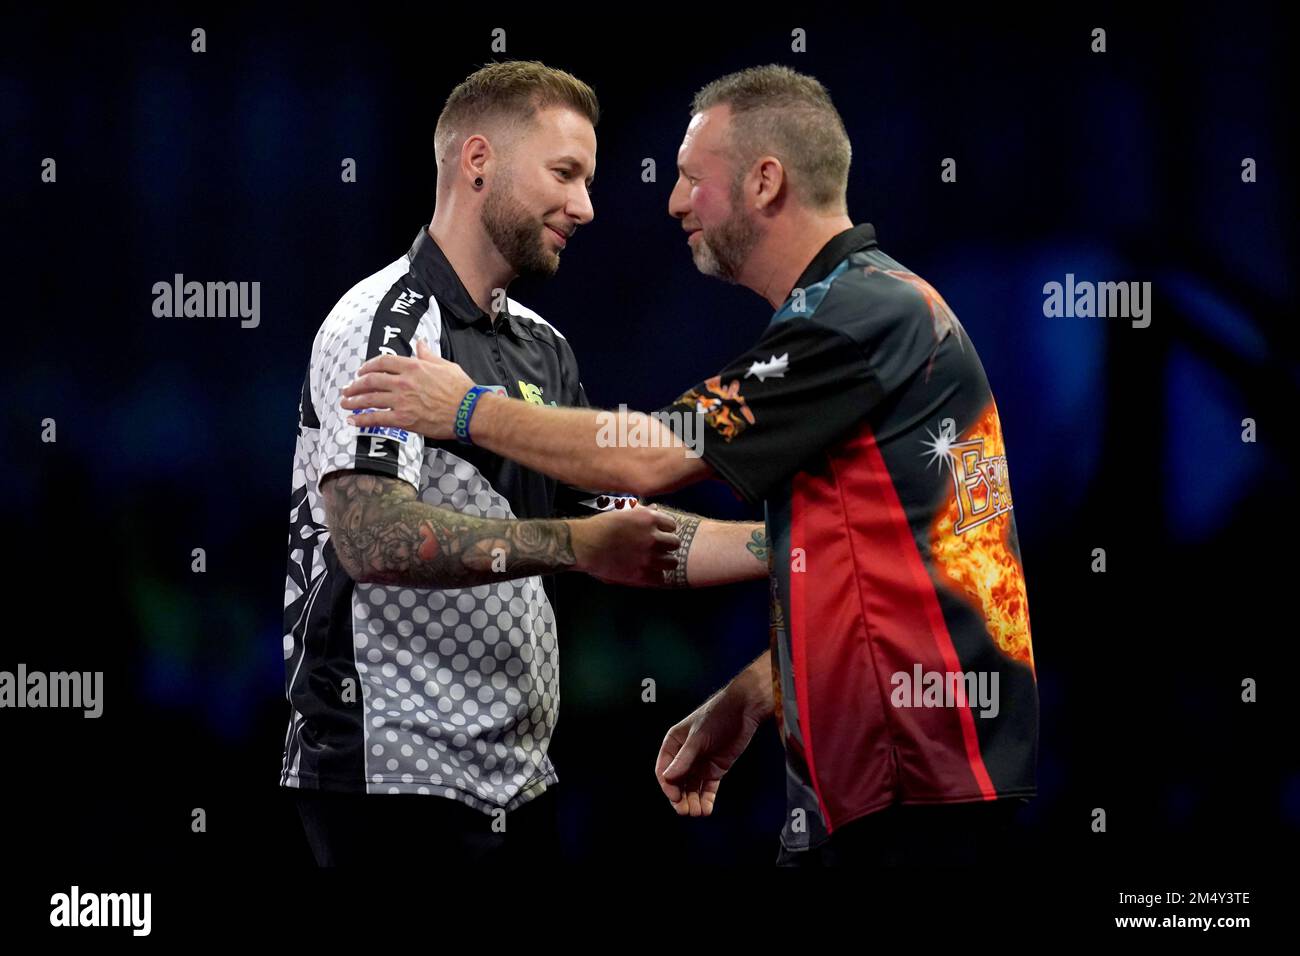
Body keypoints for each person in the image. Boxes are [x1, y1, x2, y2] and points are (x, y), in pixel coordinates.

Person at [340, 64, 1039, 866]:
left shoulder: (858, 317)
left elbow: (652, 458)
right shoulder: (872, 309)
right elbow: (883, 566)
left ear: (764, 181)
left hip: (910, 785)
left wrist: (465, 409)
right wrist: (752, 698)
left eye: (690, 178)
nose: (671, 201)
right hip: (907, 775)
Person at [280, 60, 765, 866]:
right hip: (386, 779)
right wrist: (572, 548)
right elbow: (369, 539)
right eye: (565, 174)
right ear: (479, 163)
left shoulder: (545, 345)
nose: (586, 206)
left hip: (518, 782)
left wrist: (782, 549)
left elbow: (612, 524)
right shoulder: (384, 322)